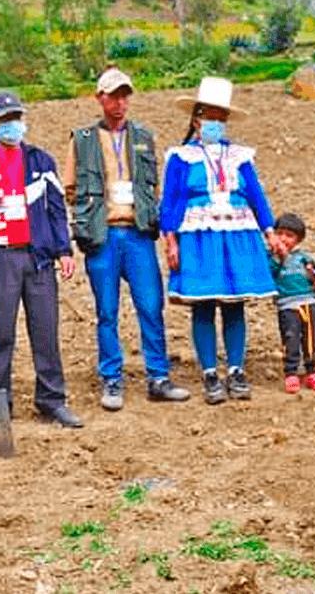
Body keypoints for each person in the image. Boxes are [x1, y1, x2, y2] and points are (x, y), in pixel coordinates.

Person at [0, 90, 84, 429]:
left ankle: (51, 400)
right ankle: (0, 401)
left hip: (37, 258)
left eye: (17, 118)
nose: (12, 125)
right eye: (4, 120)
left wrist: (64, 250)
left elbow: (56, 209)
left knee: (46, 331)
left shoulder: (41, 161)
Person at [62, 67, 190, 411]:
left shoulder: (144, 136)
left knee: (151, 306)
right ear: (99, 98)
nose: (120, 102)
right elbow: (70, 188)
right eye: (113, 95)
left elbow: (155, 187)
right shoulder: (83, 139)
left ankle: (158, 377)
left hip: (138, 234)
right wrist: (90, 217)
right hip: (103, 236)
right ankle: (112, 379)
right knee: (107, 311)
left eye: (125, 95)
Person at [159, 77, 285, 405]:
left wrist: (269, 231)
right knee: (202, 303)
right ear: (197, 118)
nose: (214, 123)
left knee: (234, 303)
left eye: (220, 117)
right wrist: (170, 239)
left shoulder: (240, 156)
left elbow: (256, 195)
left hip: (237, 234)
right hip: (198, 235)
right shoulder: (181, 157)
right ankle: (210, 373)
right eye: (208, 116)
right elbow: (170, 200)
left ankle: (236, 369)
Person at [268, 213, 315, 395]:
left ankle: (312, 370)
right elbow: (270, 275)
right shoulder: (271, 258)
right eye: (280, 233)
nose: (284, 239)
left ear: (298, 239)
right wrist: (279, 257)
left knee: (312, 338)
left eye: (290, 235)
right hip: (287, 306)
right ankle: (291, 372)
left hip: (308, 303)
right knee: (290, 338)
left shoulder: (305, 258)